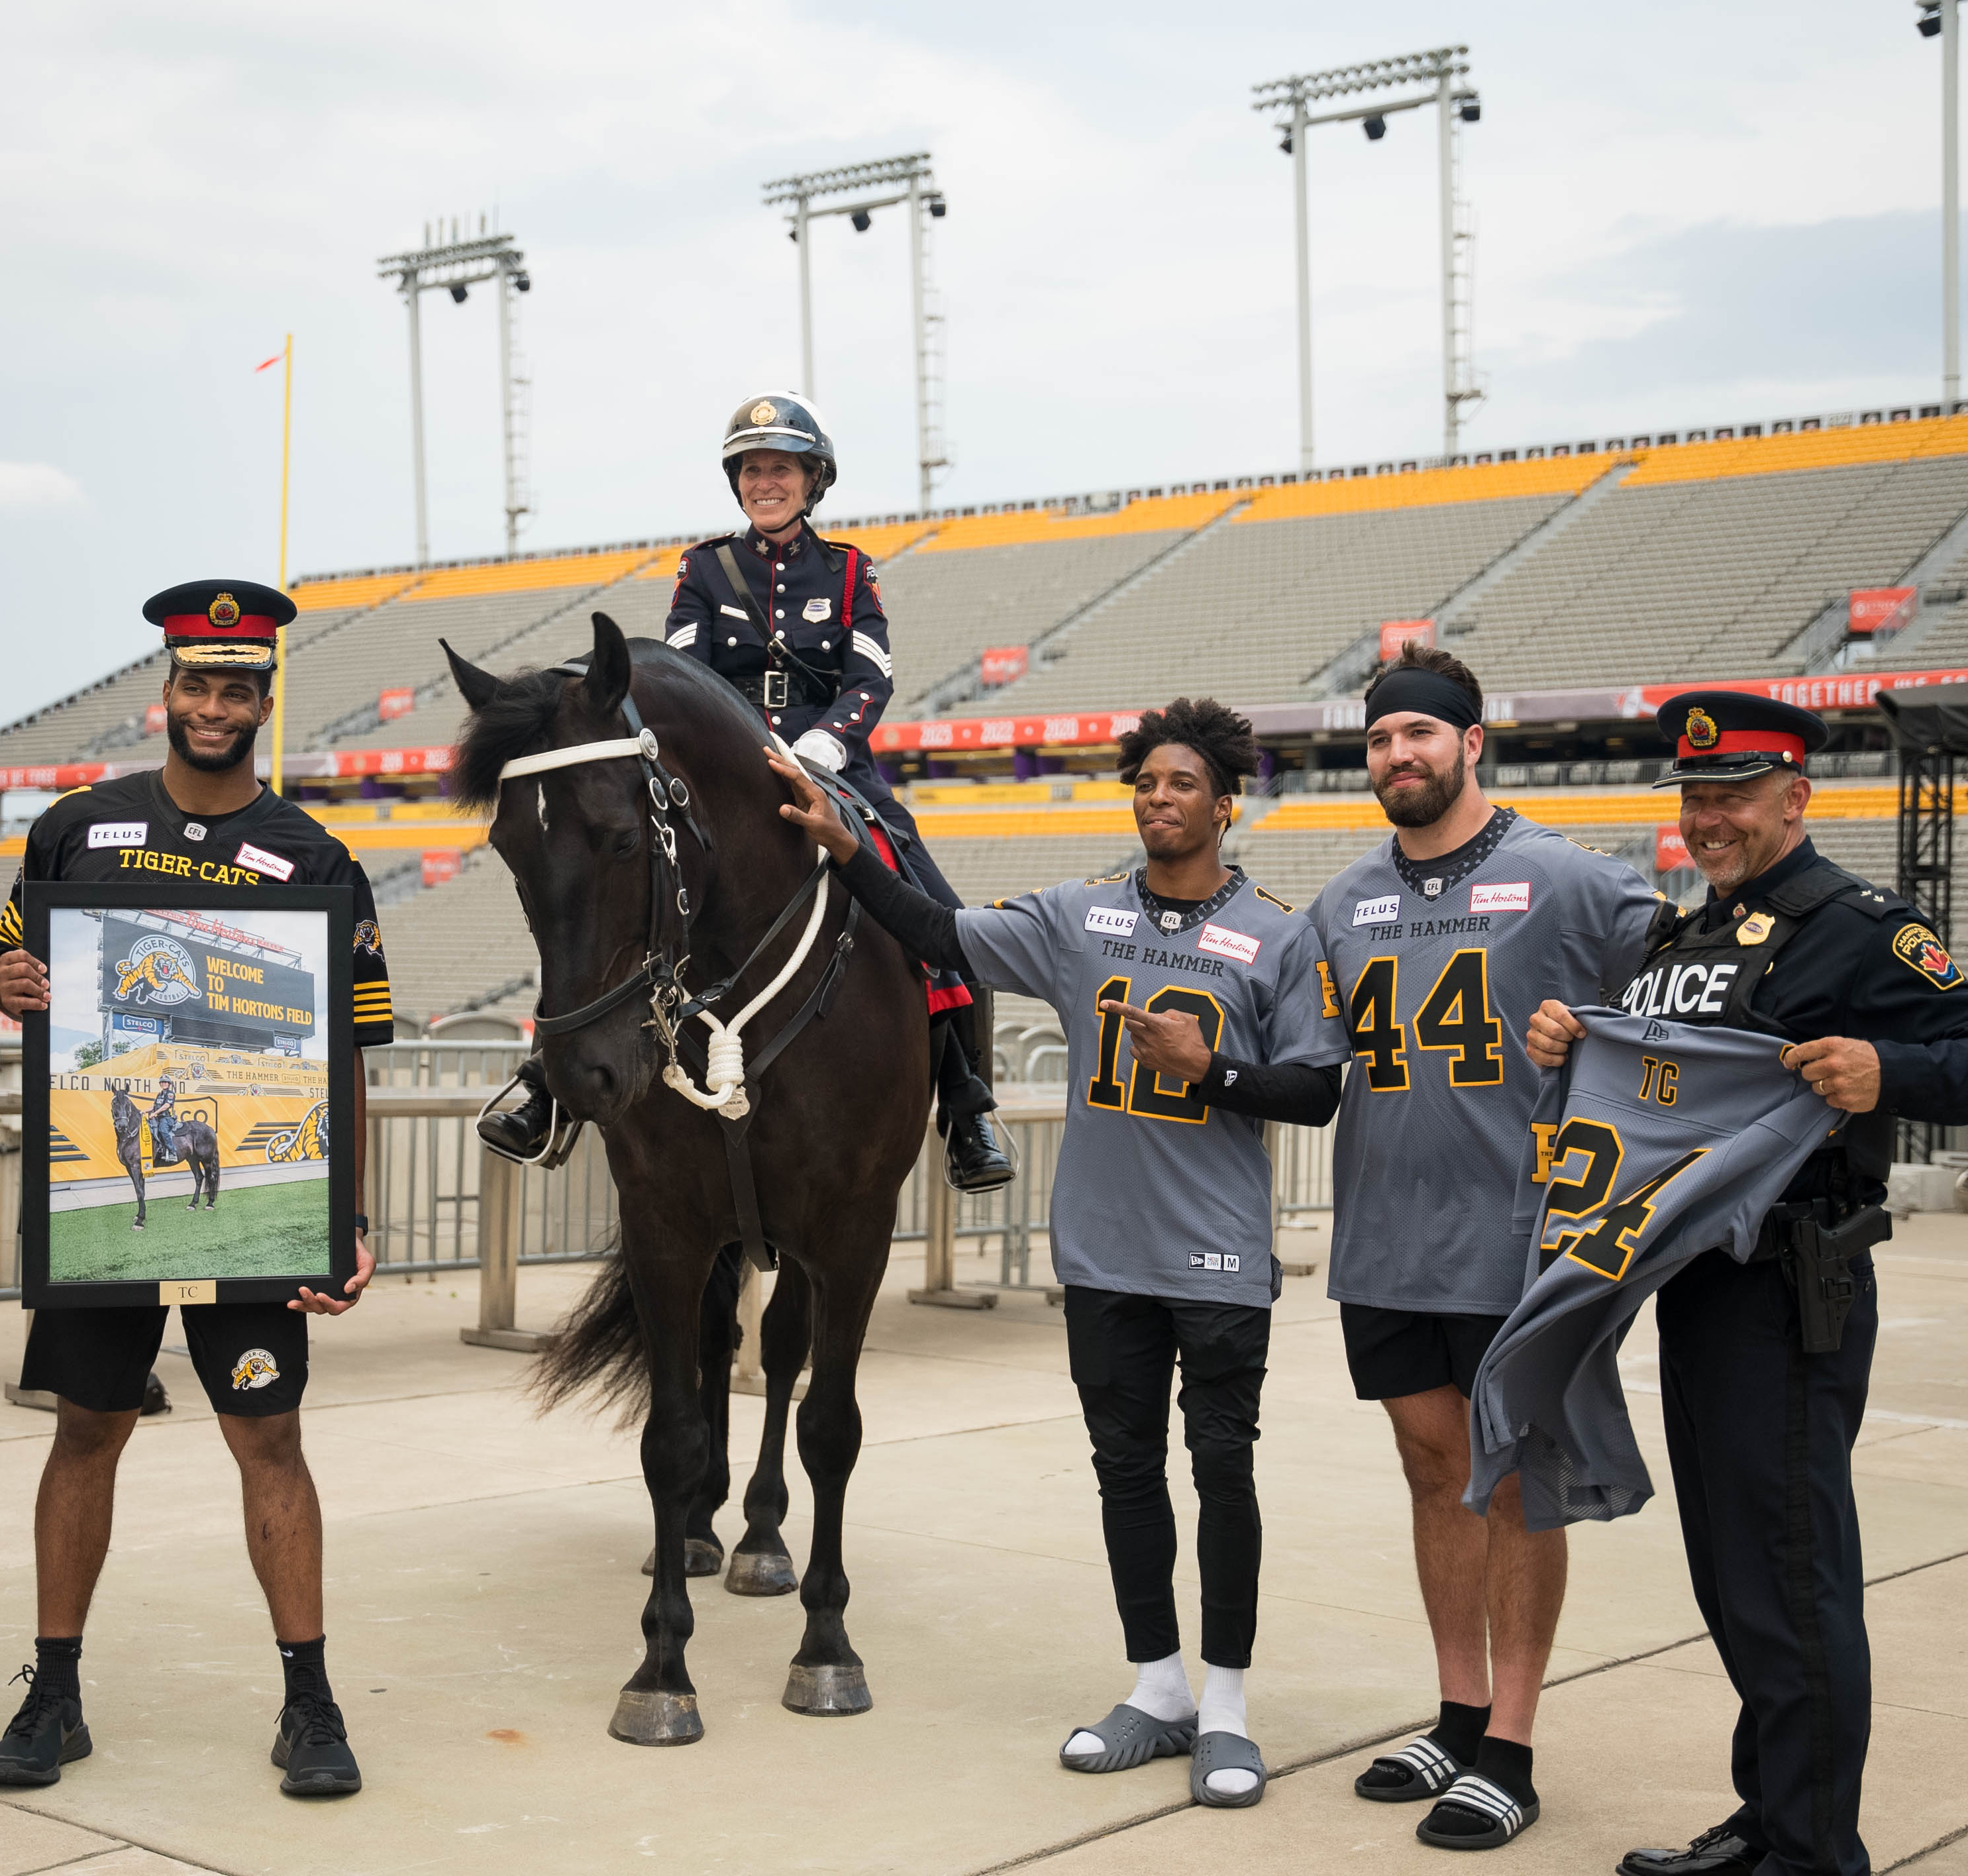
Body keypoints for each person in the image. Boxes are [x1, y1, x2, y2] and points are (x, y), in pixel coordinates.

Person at [770, 696, 1347, 1809]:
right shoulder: (1080, 914)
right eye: (1147, 783)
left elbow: (1317, 1091)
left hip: (1216, 1256)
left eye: (1182, 784)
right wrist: (846, 849)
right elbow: (938, 933)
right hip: (1102, 1251)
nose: (1159, 799)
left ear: (1226, 805)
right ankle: (1158, 1688)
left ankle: (1228, 1707)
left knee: (1222, 1469)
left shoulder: (1281, 935)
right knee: (1125, 1469)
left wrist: (1211, 1069)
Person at [1528, 691, 1968, 1876]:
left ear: (1796, 797)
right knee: (1733, 1575)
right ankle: (1770, 1817)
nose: (1707, 818)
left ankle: (1815, 1852)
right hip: (1697, 1286)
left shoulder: (1862, 929)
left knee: (1791, 1573)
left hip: (1791, 1286)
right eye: (1694, 798)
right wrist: (1575, 1039)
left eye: (1732, 796)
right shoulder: (1682, 940)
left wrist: (1892, 1068)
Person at [0, 579, 394, 1798]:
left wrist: (348, 1216)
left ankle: (310, 1703)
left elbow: (349, 1052)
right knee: (85, 1429)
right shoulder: (74, 827)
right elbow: (15, 965)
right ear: (166, 691)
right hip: (96, 1216)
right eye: (197, 684)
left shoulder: (317, 855)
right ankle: (54, 1695)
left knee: (270, 1435)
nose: (214, 706)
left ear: (265, 703)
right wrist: (10, 984)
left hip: (262, 1221)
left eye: (237, 689)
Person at [1303, 644, 1668, 1851]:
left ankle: (1511, 1744)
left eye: (1419, 732)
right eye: (1379, 738)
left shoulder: (1565, 877)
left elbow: (1685, 990)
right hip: (1383, 1234)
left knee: (1515, 1482)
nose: (1397, 754)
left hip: (1517, 1234)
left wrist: (1597, 1039)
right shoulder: (1342, 900)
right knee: (1431, 1471)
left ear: (1471, 742)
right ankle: (1457, 1715)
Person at [478, 391, 1012, 1192]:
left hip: (833, 763)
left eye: (782, 469)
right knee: (616, 892)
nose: (766, 483)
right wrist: (747, 746)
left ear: (813, 479)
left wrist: (825, 741)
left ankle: (967, 1107)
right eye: (753, 470)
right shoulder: (703, 568)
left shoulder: (851, 570)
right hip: (727, 768)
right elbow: (684, 672)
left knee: (938, 906)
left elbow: (872, 677)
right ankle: (544, 1085)